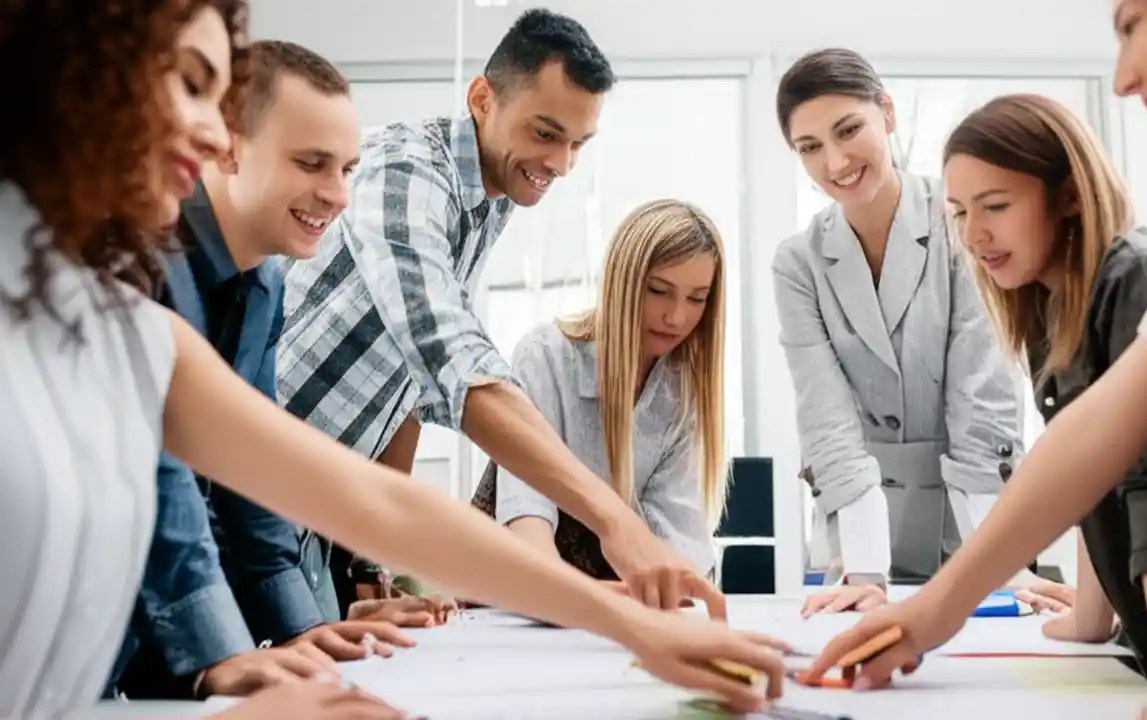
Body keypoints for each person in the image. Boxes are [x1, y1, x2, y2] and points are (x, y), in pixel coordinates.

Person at [0, 2, 788, 717]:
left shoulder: (130, 328)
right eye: (191, 84)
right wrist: (616, 532)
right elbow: (442, 357)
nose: (215, 134)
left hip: (292, 529)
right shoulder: (409, 172)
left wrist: (631, 627)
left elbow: (382, 480)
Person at [806, 1, 1147, 717]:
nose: (1121, 79)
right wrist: (934, 610)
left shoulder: (1139, 273)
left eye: (1131, 26)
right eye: (961, 215)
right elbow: (1093, 445)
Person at [277, 8, 724, 617]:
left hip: (313, 520)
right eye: (545, 134)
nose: (562, 164)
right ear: (483, 98)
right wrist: (613, 518)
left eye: (577, 143)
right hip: (255, 486)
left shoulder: (488, 205)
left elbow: (409, 388)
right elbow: (446, 352)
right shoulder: (408, 170)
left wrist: (364, 559)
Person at [113, 39, 453, 702]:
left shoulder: (267, 282)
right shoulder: (146, 260)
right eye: (312, 163)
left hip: (153, 640)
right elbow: (165, 482)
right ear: (229, 145)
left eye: (347, 169)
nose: (338, 195)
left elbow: (253, 492)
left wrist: (310, 633)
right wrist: (223, 651)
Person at [943, 92, 1147, 689]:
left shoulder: (1137, 277)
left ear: (1070, 195)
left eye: (994, 205)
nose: (973, 234)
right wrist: (1091, 621)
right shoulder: (1049, 303)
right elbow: (1090, 473)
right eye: (958, 213)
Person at [771, 48, 1024, 611]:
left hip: (970, 522)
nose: (834, 162)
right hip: (857, 533)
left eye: (848, 129)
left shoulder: (960, 220)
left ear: (886, 112)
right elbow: (826, 416)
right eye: (809, 147)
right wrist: (864, 571)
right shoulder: (798, 263)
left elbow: (982, 398)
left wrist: (1003, 567)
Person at [471, 199, 727, 585]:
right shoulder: (547, 357)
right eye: (659, 290)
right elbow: (527, 513)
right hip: (519, 579)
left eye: (696, 298)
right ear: (623, 282)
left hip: (613, 588)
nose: (677, 317)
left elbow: (678, 540)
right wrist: (574, 602)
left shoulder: (682, 391)